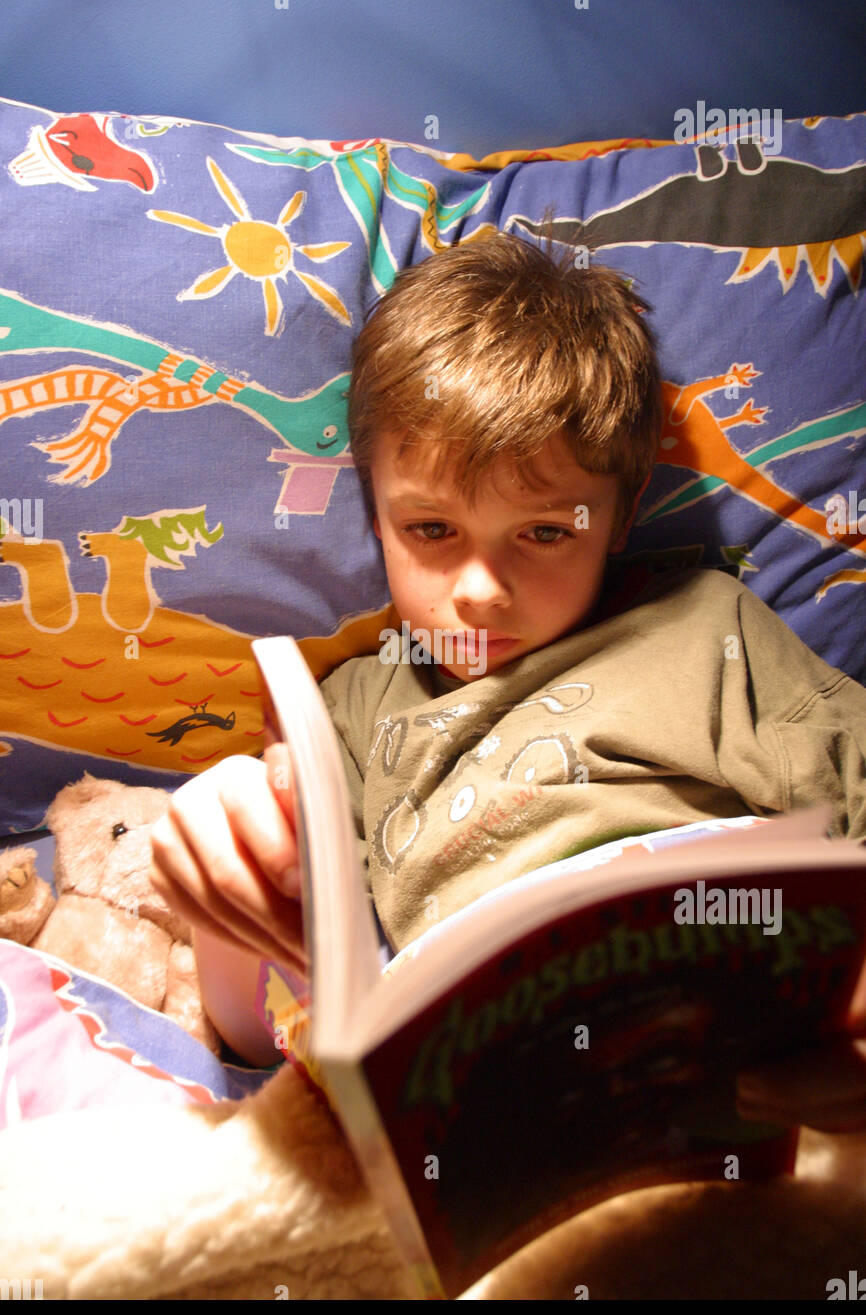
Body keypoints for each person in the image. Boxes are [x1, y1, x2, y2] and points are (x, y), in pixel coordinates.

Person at [150, 227, 866, 1128]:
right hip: (494, 1122)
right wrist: (225, 903)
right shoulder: (357, 713)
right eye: (433, 531)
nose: (482, 594)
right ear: (374, 512)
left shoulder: (705, 632)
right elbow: (264, 1034)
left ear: (622, 514)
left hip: (746, 1074)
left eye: (544, 532)